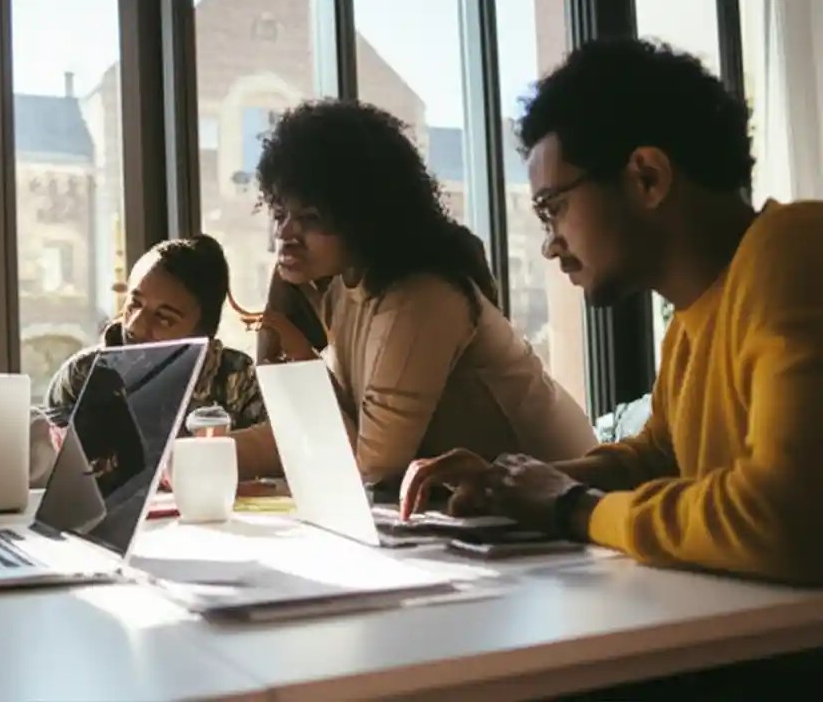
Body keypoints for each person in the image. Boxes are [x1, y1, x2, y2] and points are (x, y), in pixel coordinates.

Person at [400, 38, 823, 585]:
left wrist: (573, 508)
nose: (551, 244)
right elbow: (659, 457)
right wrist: (515, 482)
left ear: (647, 177)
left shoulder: (795, 251)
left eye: (553, 209)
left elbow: (786, 516)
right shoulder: (696, 314)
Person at [233, 99, 597, 491]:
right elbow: (319, 433)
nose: (285, 234)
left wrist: (301, 360)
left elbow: (372, 467)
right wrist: (199, 454)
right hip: (488, 511)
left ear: (363, 219)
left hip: (561, 504)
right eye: (279, 213)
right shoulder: (344, 290)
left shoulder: (421, 296)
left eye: (311, 219)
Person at [46, 234, 264, 431]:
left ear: (203, 334)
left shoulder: (238, 378)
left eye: (164, 318)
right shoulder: (82, 376)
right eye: (134, 304)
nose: (136, 325)